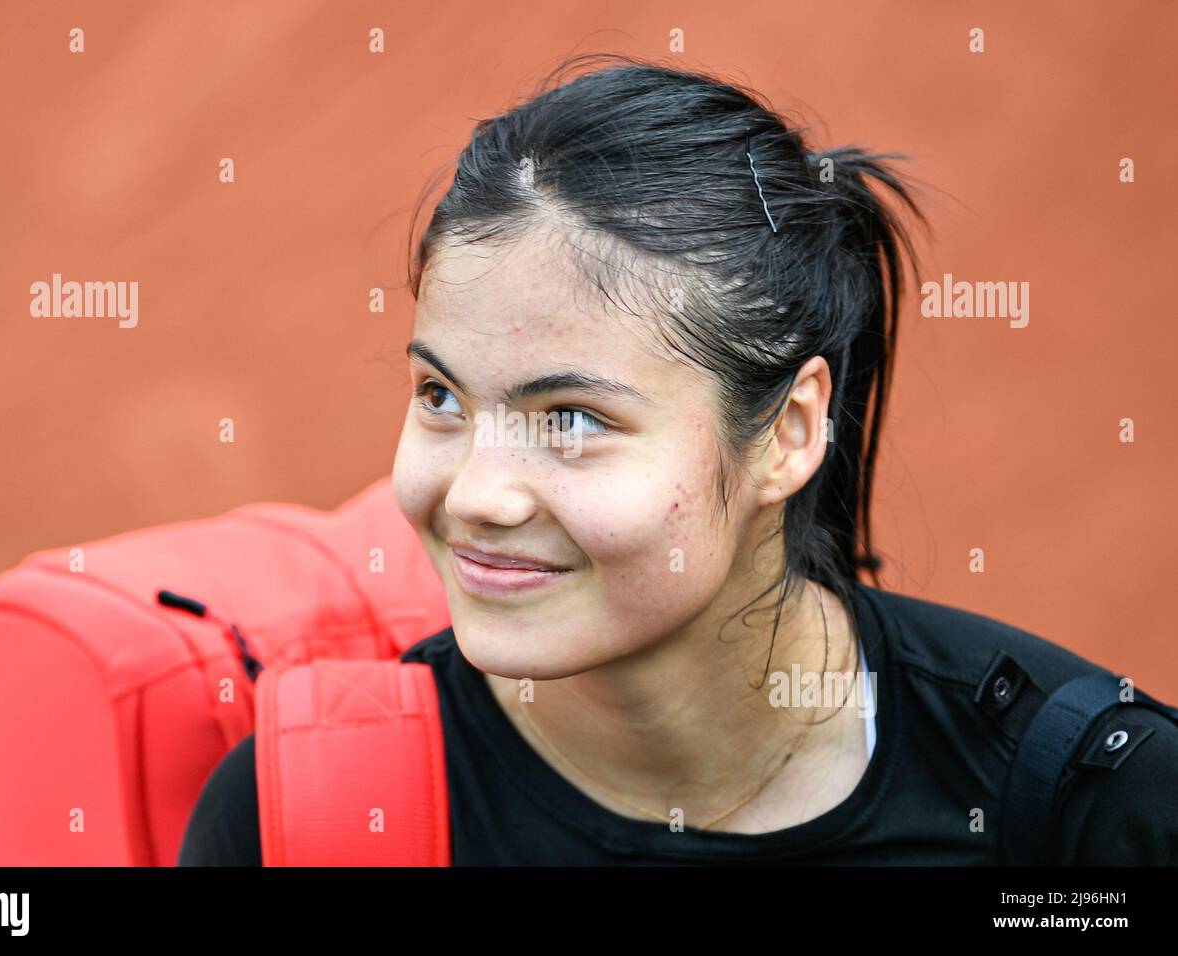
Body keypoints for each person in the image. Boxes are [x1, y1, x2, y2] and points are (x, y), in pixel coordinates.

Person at [178, 53, 1178, 866]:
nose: (476, 494)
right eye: (440, 396)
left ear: (789, 431)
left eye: (570, 417)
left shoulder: (1090, 806)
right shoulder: (298, 818)